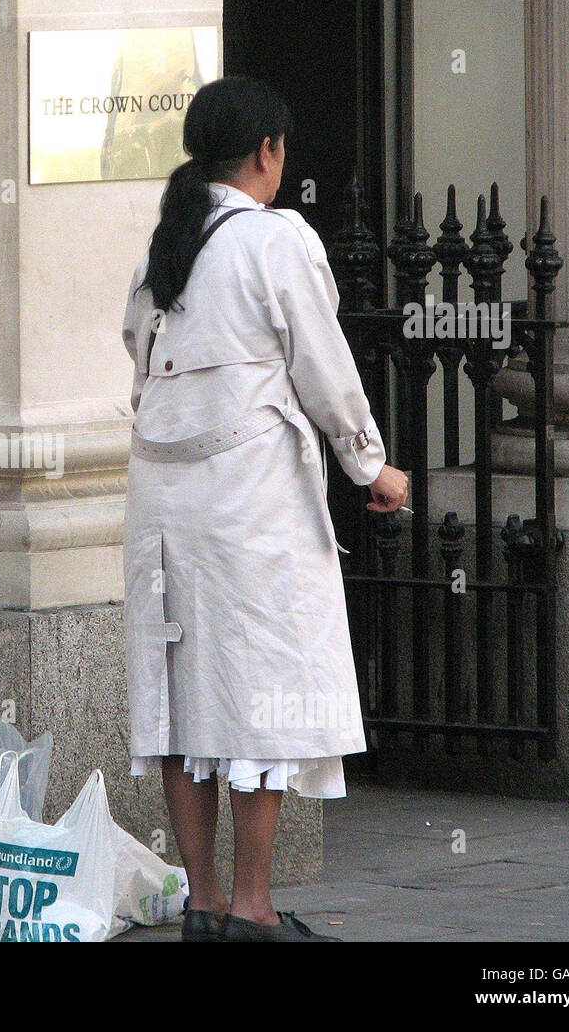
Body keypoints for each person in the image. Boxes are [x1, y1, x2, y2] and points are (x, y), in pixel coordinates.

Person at [121, 76, 408, 942]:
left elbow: (137, 356)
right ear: (267, 151)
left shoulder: (162, 245)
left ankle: (201, 904)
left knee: (181, 700)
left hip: (163, 502)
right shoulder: (276, 237)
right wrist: (372, 465)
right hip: (250, 502)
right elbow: (324, 362)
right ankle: (250, 905)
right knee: (260, 695)